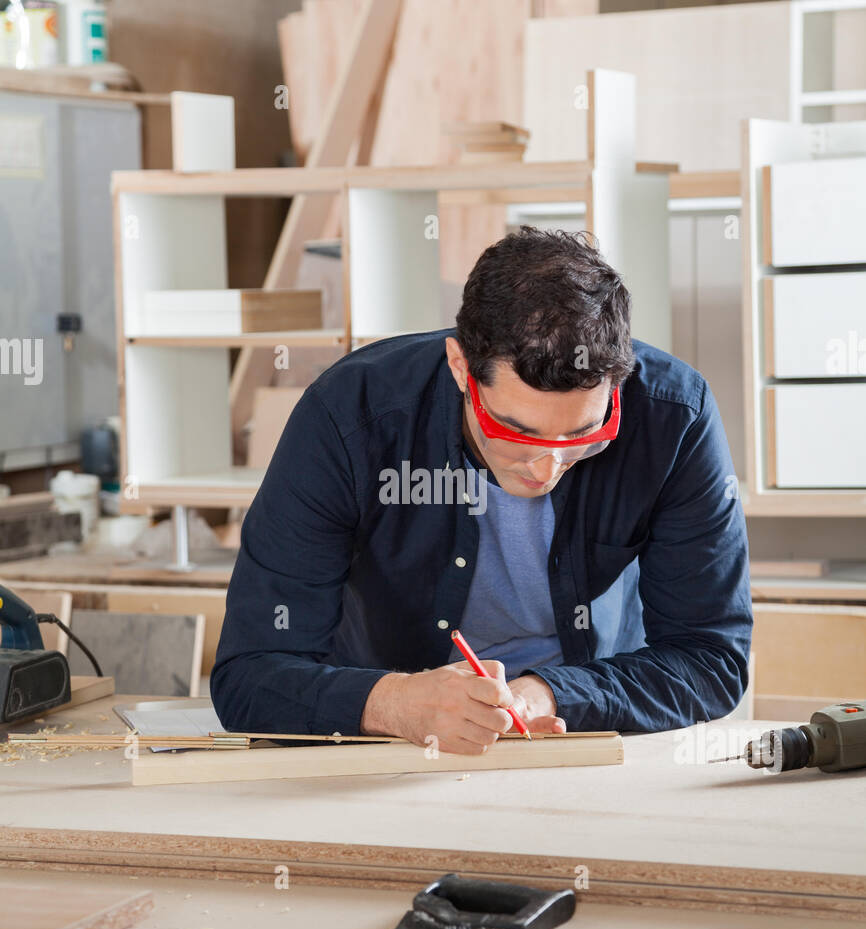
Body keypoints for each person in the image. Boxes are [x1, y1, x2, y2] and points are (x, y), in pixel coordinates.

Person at [211, 228, 751, 754]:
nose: (547, 468)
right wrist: (397, 703)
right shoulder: (350, 415)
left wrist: (551, 694)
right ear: (460, 368)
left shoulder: (674, 415)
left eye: (584, 436)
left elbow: (711, 659)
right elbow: (251, 674)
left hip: (585, 735)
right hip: (389, 749)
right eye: (517, 433)